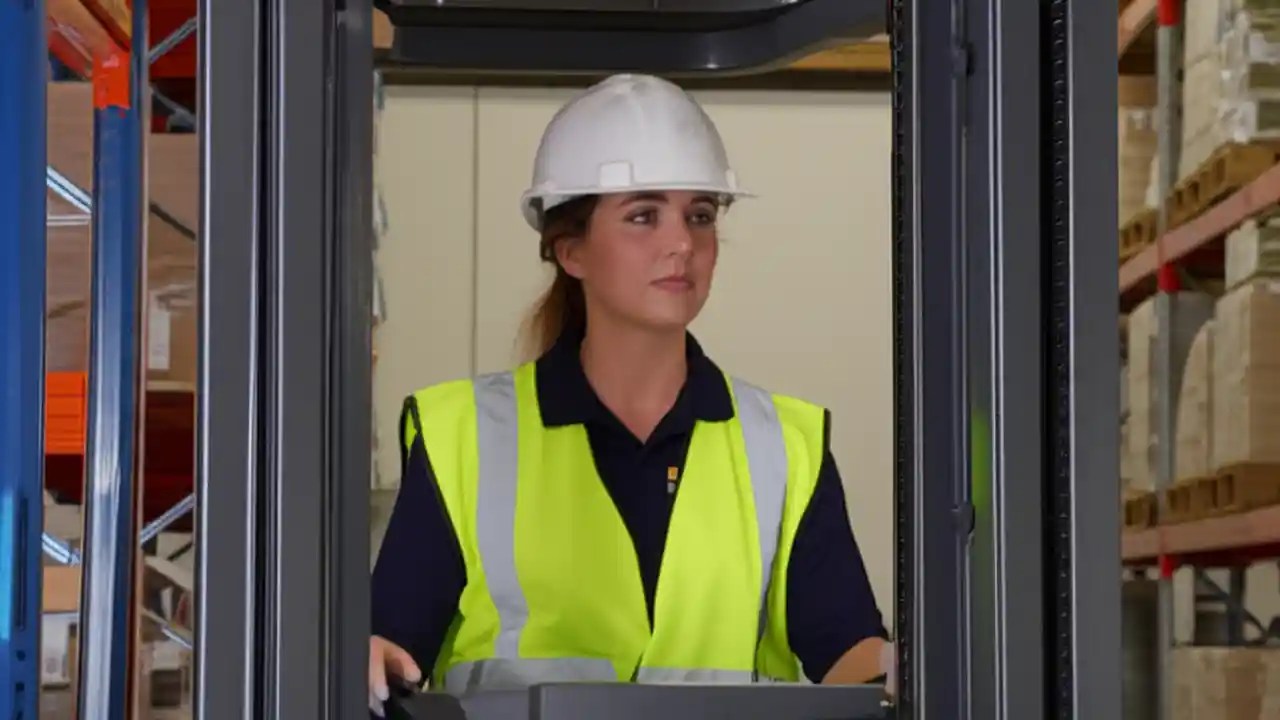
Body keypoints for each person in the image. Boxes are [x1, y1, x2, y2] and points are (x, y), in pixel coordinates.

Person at [368, 73, 893, 717]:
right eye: (644, 215)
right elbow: (390, 653)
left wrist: (921, 664)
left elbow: (850, 652)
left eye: (700, 215)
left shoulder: (784, 443)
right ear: (572, 252)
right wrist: (365, 654)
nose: (683, 244)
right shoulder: (462, 437)